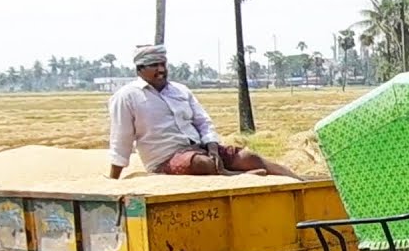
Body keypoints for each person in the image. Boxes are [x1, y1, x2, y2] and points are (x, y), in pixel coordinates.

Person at [106, 44, 304, 180]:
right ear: (140, 69)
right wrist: (113, 180)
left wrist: (212, 147)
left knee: (249, 157)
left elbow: (203, 122)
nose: (161, 70)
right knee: (202, 165)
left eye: (163, 64)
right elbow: (121, 140)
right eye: (154, 65)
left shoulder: (180, 90)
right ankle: (234, 177)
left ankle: (300, 181)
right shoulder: (127, 97)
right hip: (165, 159)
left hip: (201, 149)